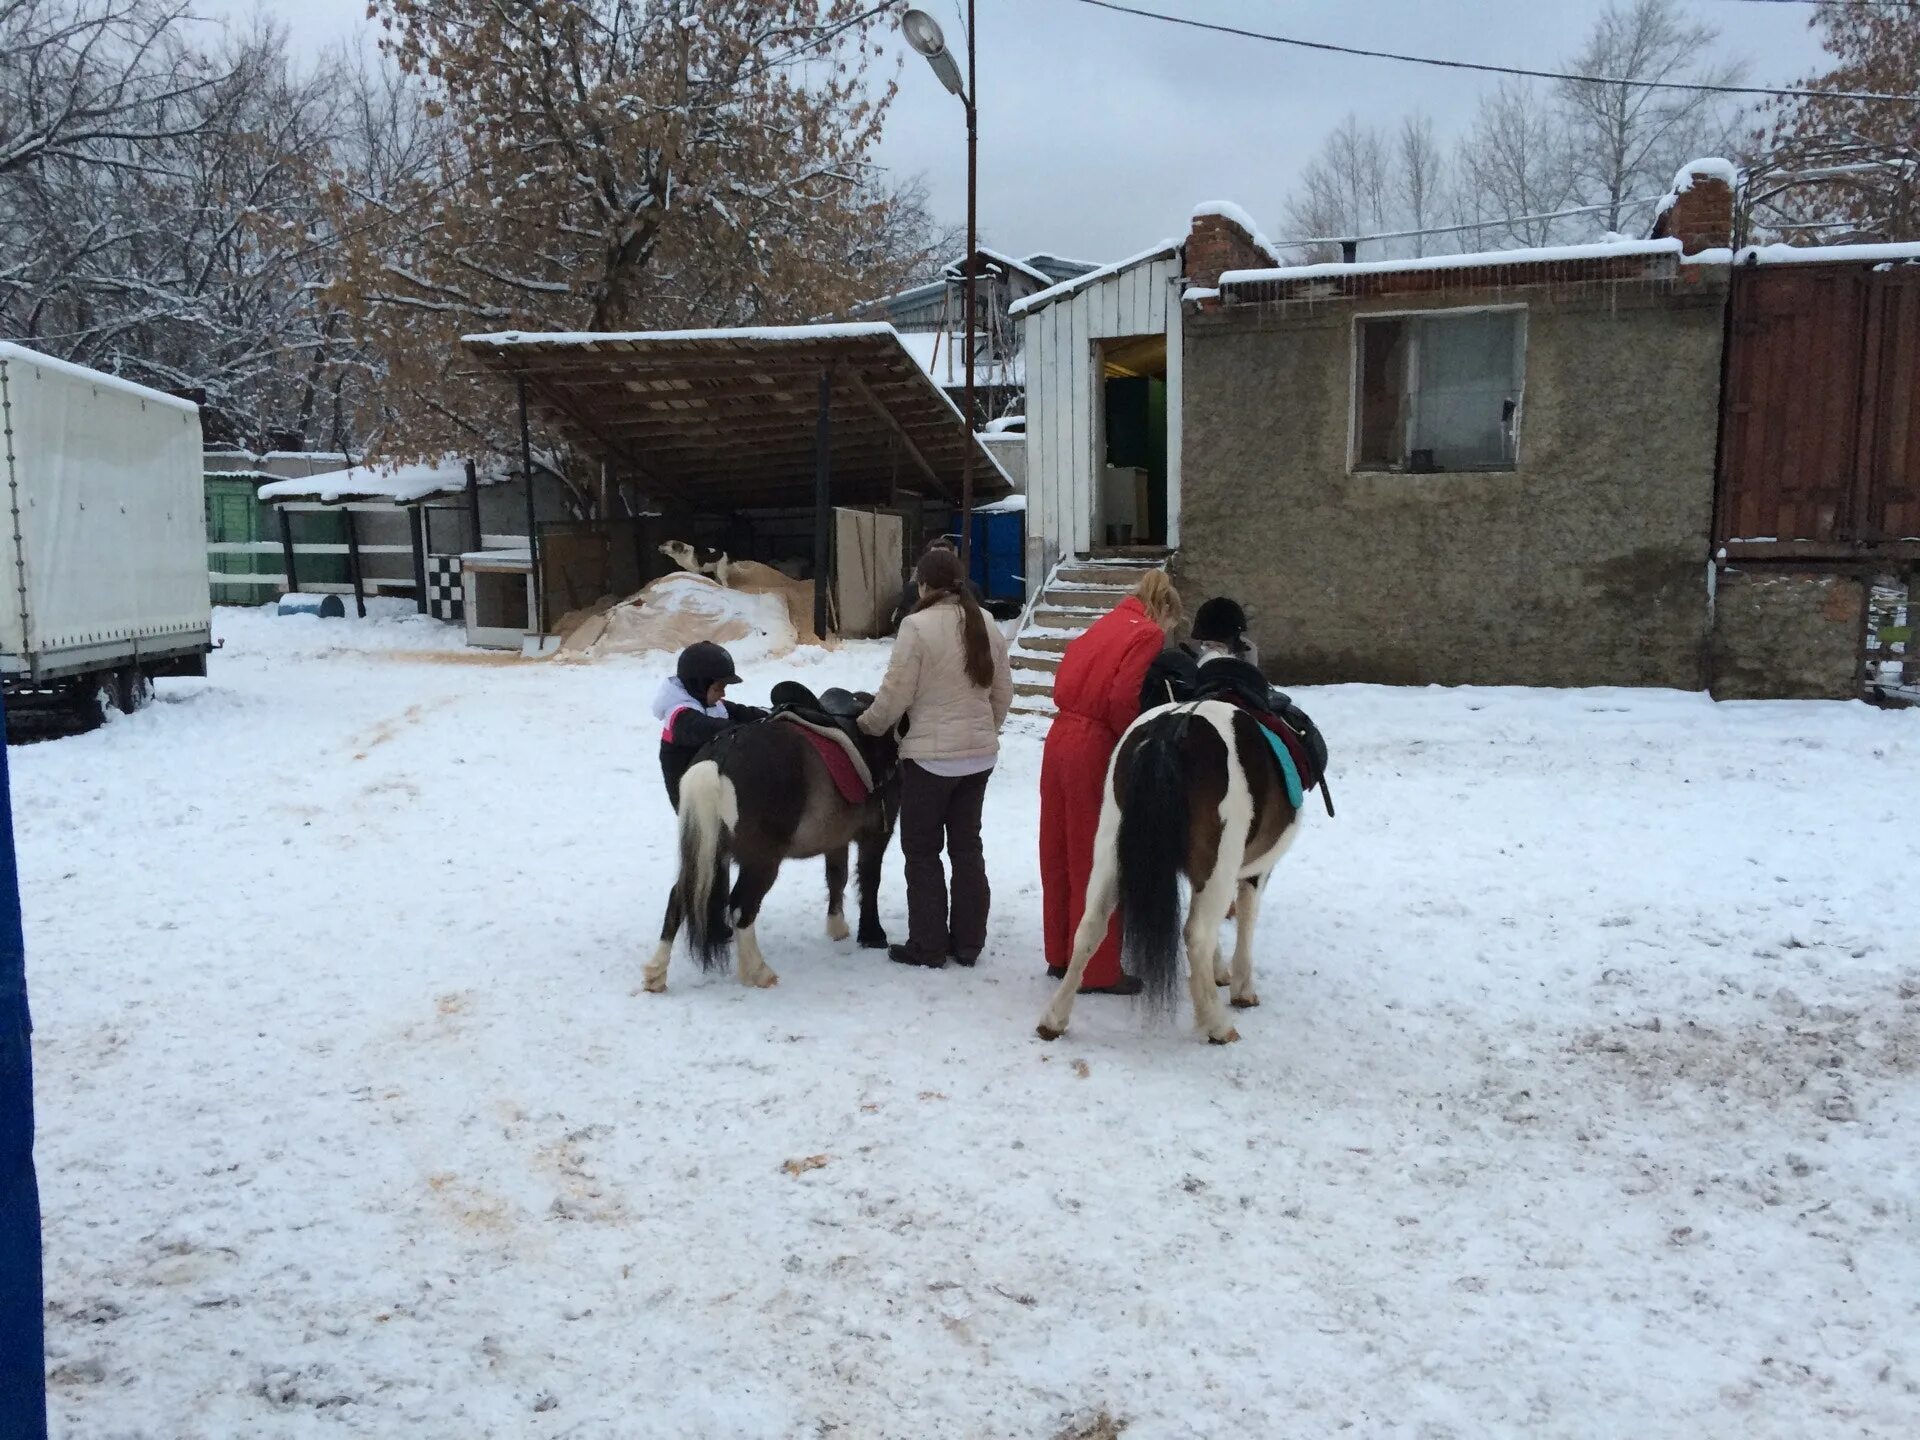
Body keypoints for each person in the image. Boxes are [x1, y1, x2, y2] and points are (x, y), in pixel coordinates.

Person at [859, 546, 1013, 969]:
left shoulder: (916, 626)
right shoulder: (986, 622)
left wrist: (869, 726)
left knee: (923, 850)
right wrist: (982, 732)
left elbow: (895, 695)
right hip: (979, 760)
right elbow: (1003, 694)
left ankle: (928, 945)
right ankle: (968, 943)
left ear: (923, 585)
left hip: (929, 762)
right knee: (967, 848)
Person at [1039, 571, 1185, 994]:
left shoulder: (1103, 623)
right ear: (1164, 611)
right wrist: (1133, 742)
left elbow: (1065, 677)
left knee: (1058, 846)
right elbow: (1124, 696)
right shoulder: (1147, 635)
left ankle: (1060, 953)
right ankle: (1098, 968)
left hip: (1060, 737)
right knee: (1096, 853)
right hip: (1094, 745)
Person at [651, 641, 767, 809]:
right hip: (692, 804)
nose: (723, 693)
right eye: (719, 688)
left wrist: (771, 714)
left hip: (714, 787)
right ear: (699, 685)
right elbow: (710, 728)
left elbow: (742, 713)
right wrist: (747, 732)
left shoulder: (712, 704)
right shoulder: (680, 716)